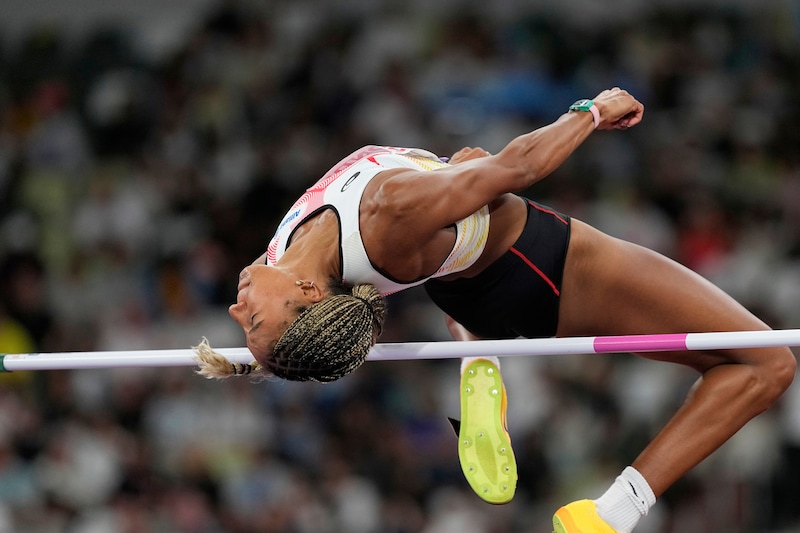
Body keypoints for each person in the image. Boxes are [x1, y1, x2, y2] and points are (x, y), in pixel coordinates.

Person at [194, 87, 796, 532]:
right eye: (251, 320)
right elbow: (520, 166)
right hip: (550, 271)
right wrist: (593, 111)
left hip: (470, 287)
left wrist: (252, 361)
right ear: (307, 298)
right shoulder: (388, 214)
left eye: (245, 322)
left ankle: (474, 352)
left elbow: (307, 343)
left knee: (464, 173)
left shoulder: (283, 256)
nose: (233, 307)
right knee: (768, 363)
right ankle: (612, 515)